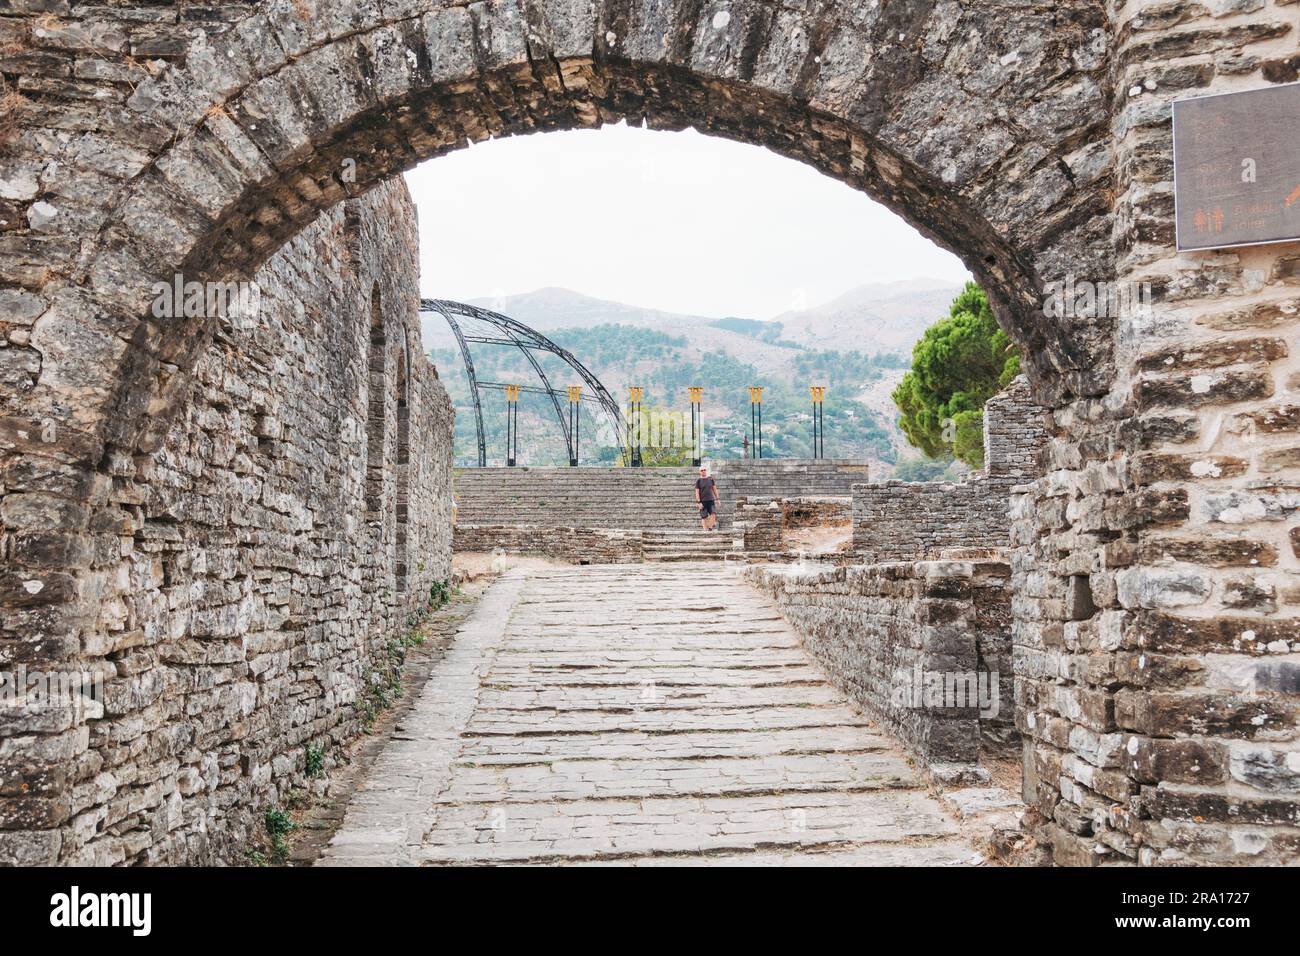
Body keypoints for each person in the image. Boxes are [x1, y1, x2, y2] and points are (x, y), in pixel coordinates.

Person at [694, 464, 719, 532]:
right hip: (703, 501)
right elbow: (697, 492)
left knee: (713, 514)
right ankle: (705, 530)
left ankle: (710, 528)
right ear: (700, 472)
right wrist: (699, 502)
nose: (703, 471)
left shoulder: (710, 479)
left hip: (711, 500)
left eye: (704, 470)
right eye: (702, 470)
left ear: (706, 471)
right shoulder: (698, 481)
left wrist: (718, 499)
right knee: (704, 516)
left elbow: (714, 489)